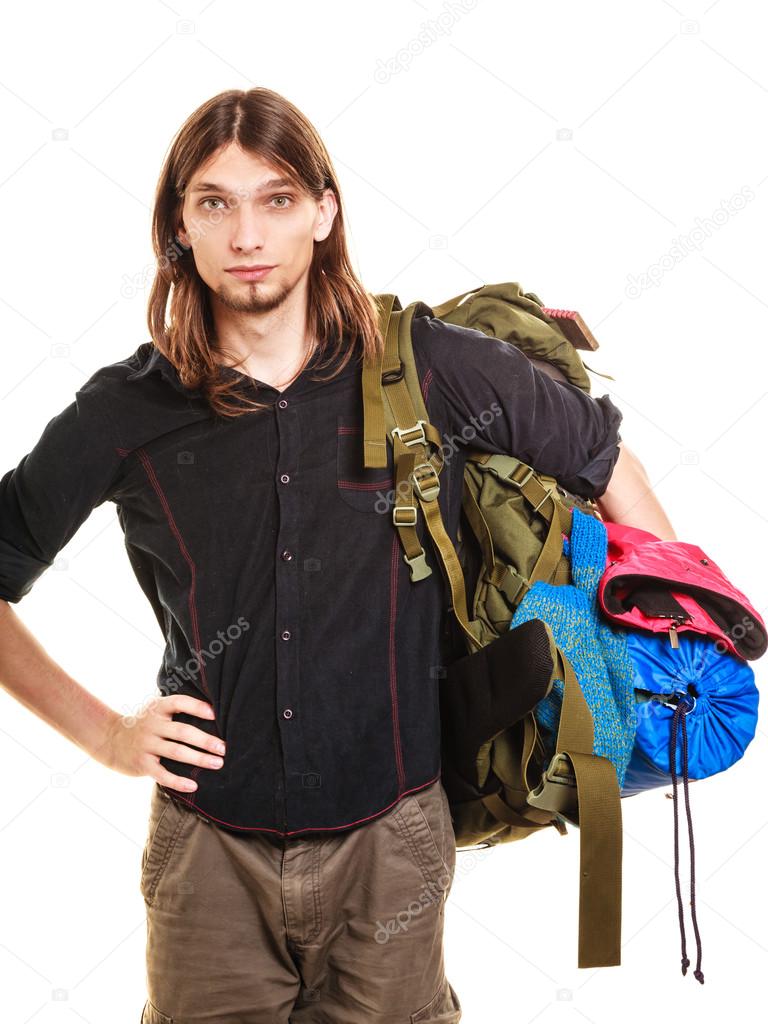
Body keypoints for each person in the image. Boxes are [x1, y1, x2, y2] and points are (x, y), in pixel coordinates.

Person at [0, 87, 675, 1024]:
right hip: (207, 859)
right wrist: (109, 737)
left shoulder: (425, 366)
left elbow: (602, 458)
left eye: (276, 199)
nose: (247, 234)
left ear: (323, 213)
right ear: (179, 227)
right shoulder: (128, 412)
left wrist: (675, 633)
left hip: (393, 839)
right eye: (214, 202)